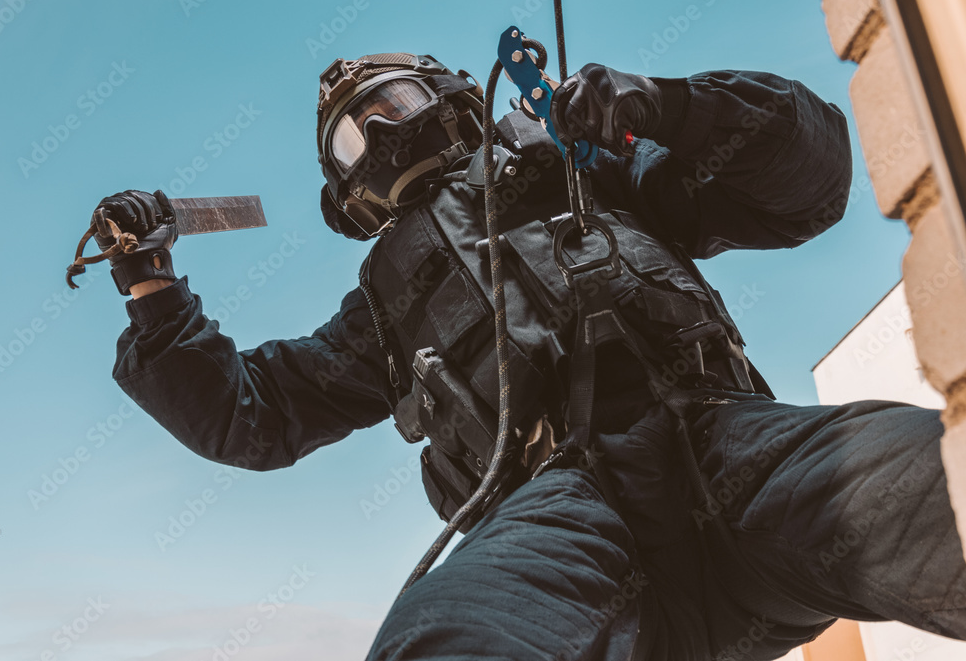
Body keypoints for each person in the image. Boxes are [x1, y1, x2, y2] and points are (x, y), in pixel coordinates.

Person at [90, 52, 966, 660]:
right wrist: (150, 288)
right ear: (347, 193)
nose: (381, 135)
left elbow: (809, 182)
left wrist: (664, 106)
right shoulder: (381, 310)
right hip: (559, 525)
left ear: (451, 96)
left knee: (932, 488)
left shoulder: (587, 166)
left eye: (389, 106)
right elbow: (251, 414)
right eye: (355, 140)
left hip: (730, 451)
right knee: (447, 637)